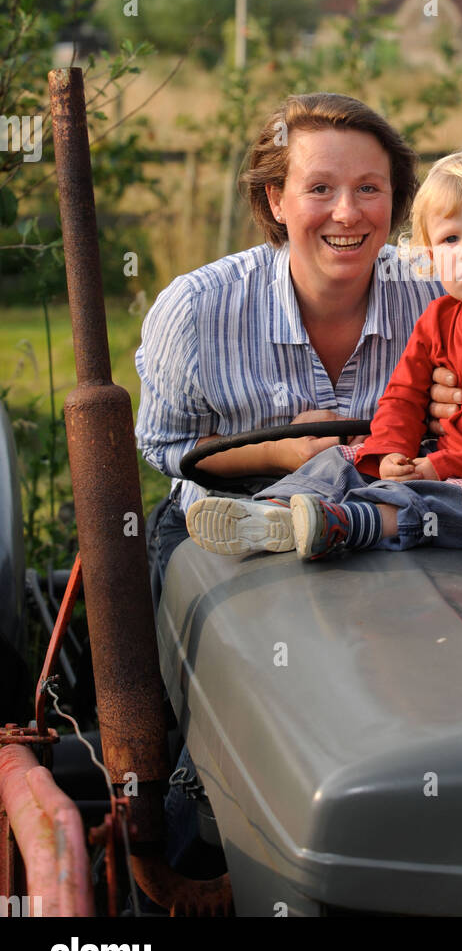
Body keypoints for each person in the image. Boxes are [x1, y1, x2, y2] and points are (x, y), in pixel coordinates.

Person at [185, 148, 462, 562]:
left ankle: (350, 524)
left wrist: (440, 467)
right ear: (432, 257)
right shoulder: (440, 315)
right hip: (442, 463)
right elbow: (404, 395)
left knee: (449, 500)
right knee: (343, 458)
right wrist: (388, 453)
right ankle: (269, 513)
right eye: (451, 239)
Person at [136, 91, 444, 597]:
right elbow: (164, 444)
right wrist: (278, 451)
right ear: (276, 199)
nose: (346, 213)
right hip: (233, 520)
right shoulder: (196, 308)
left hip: (395, 516)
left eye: (369, 188)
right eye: (319, 188)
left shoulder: (439, 295)